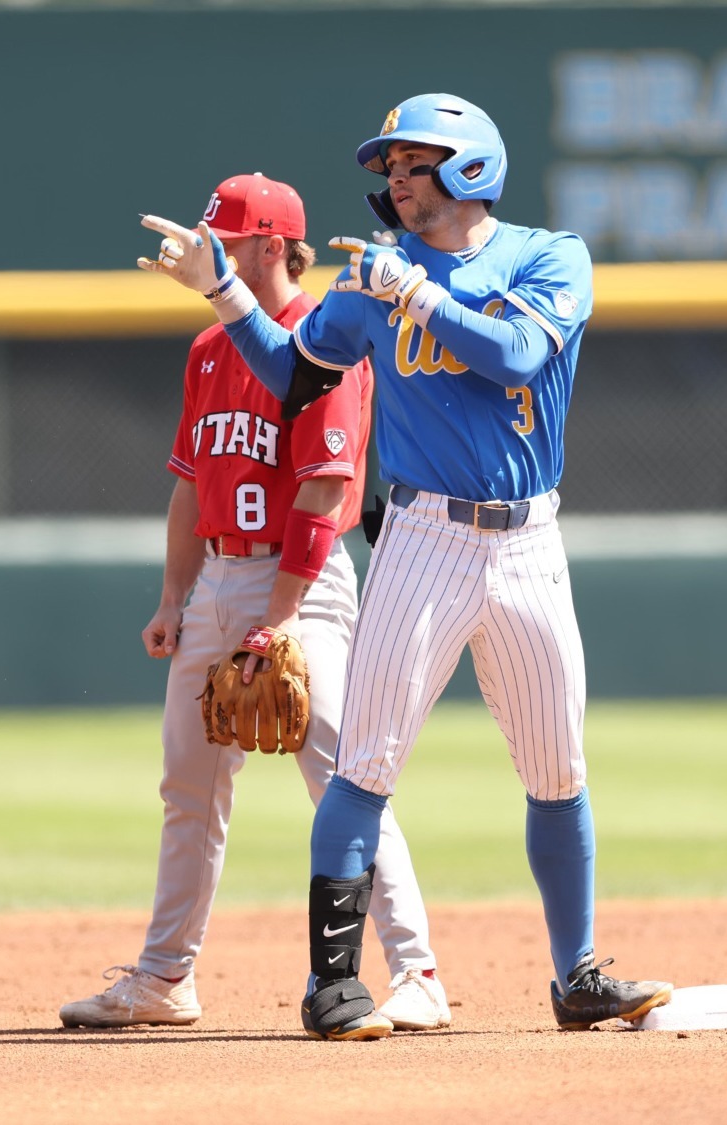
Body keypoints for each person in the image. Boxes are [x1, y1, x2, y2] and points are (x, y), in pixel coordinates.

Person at [138, 95, 672, 1039]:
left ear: (470, 169)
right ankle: (333, 986)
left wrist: (412, 293)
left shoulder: (550, 256)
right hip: (424, 539)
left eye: (413, 161)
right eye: (388, 165)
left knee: (558, 769)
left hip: (529, 541)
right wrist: (226, 290)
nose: (394, 177)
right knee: (364, 767)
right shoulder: (373, 279)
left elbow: (512, 356)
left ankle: (577, 972)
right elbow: (294, 372)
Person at [63, 174, 448, 1033]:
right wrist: (174, 596)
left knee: (348, 781)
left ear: (271, 246)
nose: (210, 255)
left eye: (224, 241)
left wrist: (276, 615)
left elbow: (324, 492)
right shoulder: (208, 351)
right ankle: (166, 976)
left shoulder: (324, 337)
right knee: (187, 784)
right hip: (217, 582)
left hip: (302, 585)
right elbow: (189, 485)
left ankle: (417, 969)